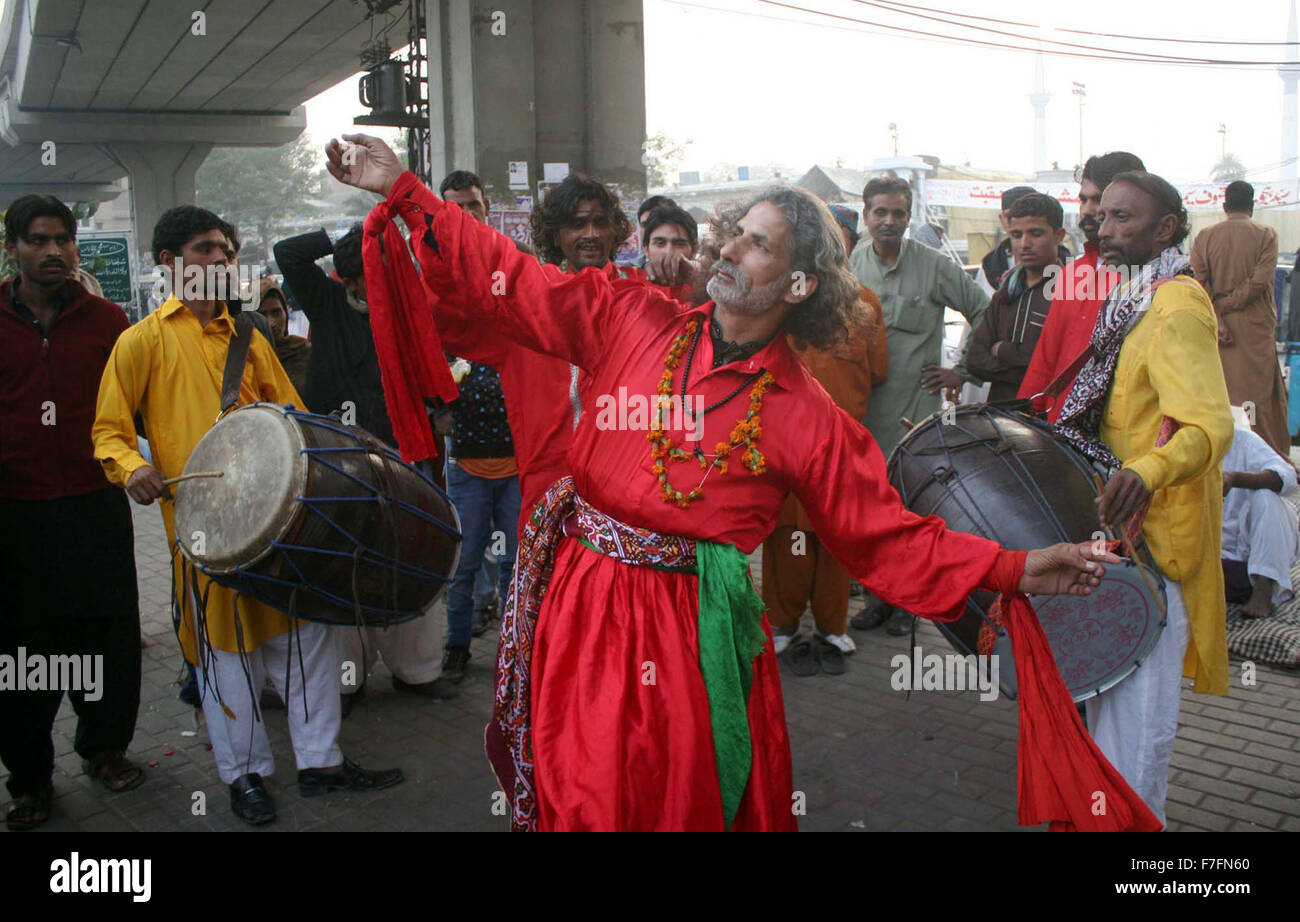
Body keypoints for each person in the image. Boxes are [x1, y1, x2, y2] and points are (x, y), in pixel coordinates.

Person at [329, 133, 1132, 833]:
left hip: (688, 629)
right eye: (734, 234)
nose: (728, 250)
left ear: (799, 286)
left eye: (756, 245)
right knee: (579, 786)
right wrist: (406, 191)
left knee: (671, 797)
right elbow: (509, 276)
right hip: (578, 597)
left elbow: (887, 538)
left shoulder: (807, 417)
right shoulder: (629, 315)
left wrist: (1014, 566)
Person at [93, 205, 403, 826]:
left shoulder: (250, 335)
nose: (221, 261)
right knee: (226, 657)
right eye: (206, 249)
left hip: (277, 522)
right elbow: (108, 432)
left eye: (227, 251)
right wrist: (133, 471)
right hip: (204, 530)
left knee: (309, 637)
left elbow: (291, 418)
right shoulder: (141, 341)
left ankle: (321, 762)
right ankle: (245, 777)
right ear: (168, 262)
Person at [1060, 171, 1234, 826]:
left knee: (1139, 722)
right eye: (1102, 217)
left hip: (1156, 541)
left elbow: (1211, 425)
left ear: (1166, 228)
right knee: (1110, 698)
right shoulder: (1135, 297)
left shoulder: (1177, 305)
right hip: (1117, 531)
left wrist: (1150, 470)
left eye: (1122, 219)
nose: (1103, 229)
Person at [0, 195, 142, 831]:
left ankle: (104, 748)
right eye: (37, 240)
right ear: (13, 249)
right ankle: (30, 778)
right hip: (16, 516)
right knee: (24, 648)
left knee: (105, 636)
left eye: (63, 239)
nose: (52, 251)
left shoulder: (108, 321)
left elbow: (138, 407)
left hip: (94, 507)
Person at [272, 223, 454, 712]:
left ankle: (418, 672)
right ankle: (347, 681)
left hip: (406, 456)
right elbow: (286, 252)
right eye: (372, 274)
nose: (385, 283)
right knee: (342, 564)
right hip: (339, 458)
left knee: (412, 554)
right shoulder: (326, 302)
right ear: (348, 280)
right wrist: (356, 236)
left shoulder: (411, 311)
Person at [853, 175, 989, 634]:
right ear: (867, 214)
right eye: (880, 212)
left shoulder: (933, 266)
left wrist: (963, 371)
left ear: (908, 217)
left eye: (898, 212)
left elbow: (984, 311)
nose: (889, 221)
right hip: (863, 419)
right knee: (870, 514)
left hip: (913, 421)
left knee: (911, 513)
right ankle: (877, 599)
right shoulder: (850, 264)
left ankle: (911, 603)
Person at [762, 205, 887, 673]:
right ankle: (783, 623)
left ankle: (834, 626)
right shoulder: (783, 299)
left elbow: (876, 372)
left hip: (840, 449)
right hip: (787, 451)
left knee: (836, 538)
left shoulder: (864, 302)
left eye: (842, 239)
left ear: (850, 246)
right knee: (789, 540)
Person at [436, 170, 523, 683]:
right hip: (466, 463)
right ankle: (455, 647)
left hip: (516, 462)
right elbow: (423, 355)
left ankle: (515, 651)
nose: (467, 217)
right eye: (455, 209)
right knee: (466, 563)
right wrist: (434, 410)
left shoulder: (512, 270)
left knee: (515, 565)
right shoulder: (440, 281)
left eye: (473, 206)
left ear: (486, 209)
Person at [1018, 152, 1146, 419]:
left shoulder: (1148, 279)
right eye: (1083, 199)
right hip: (1059, 437)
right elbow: (1045, 362)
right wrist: (1023, 421)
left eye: (1097, 199)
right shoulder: (1069, 275)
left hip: (1119, 439)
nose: (1087, 210)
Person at [1189, 180, 1290, 459]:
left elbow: (1197, 281)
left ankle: (1227, 456)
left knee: (1222, 395)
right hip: (1254, 329)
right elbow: (1260, 281)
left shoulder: (1205, 237)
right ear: (1252, 205)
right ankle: (1264, 458)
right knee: (1258, 400)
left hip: (1216, 330)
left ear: (1224, 206)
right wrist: (1229, 305)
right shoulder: (1265, 235)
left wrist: (1218, 314)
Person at [966, 193, 1066, 402]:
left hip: (1044, 420)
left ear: (1059, 236)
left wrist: (1002, 349)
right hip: (1001, 418)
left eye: (1035, 233)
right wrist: (1027, 370)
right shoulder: (1006, 291)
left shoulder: (1069, 293)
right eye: (1016, 235)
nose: (1024, 244)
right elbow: (975, 359)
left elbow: (1060, 366)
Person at [1221, 423, 1299, 619]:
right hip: (1218, 559)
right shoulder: (1174, 444)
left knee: (1266, 497)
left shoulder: (1242, 440)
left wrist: (1234, 478)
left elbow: (1286, 477)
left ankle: (1264, 586)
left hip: (1255, 552)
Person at [255, 278, 311, 396]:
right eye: (262, 315)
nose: (271, 323)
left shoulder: (305, 352)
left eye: (276, 313)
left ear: (285, 312)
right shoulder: (243, 362)